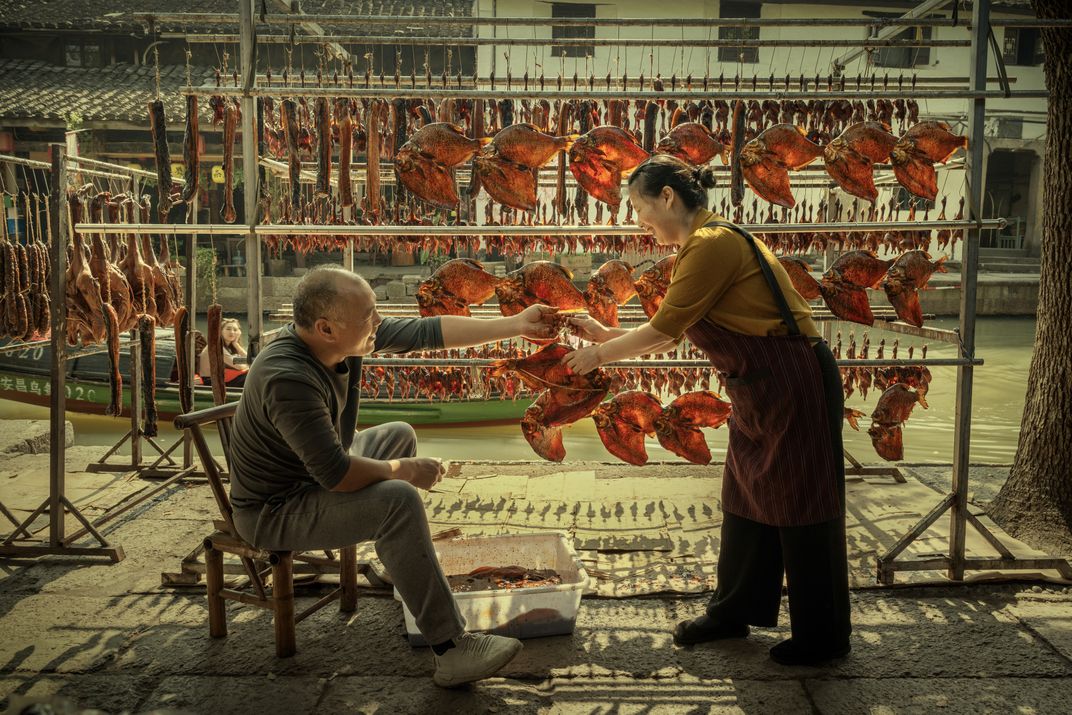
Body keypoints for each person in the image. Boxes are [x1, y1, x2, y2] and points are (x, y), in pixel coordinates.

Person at [563, 155, 852, 666]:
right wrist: (606, 335)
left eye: (638, 207)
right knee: (745, 493)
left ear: (668, 197)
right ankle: (732, 611)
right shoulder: (700, 247)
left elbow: (666, 329)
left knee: (804, 499)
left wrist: (597, 355)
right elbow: (672, 326)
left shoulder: (712, 244)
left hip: (794, 380)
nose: (637, 221)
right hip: (760, 385)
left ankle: (823, 635)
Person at [227, 265, 559, 687]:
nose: (379, 324)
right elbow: (336, 474)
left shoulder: (341, 339)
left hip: (312, 478)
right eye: (370, 317)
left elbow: (427, 333)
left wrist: (514, 324)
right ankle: (451, 648)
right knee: (399, 500)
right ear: (326, 328)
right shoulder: (289, 377)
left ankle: (402, 563)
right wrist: (405, 470)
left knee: (398, 434)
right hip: (275, 510)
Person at [199, 318, 249, 388]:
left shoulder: (229, 347)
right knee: (251, 374)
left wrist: (236, 344)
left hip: (221, 378)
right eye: (228, 329)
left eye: (235, 330)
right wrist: (247, 364)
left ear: (239, 333)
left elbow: (247, 359)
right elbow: (239, 366)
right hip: (211, 381)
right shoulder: (216, 346)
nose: (232, 332)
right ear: (220, 331)